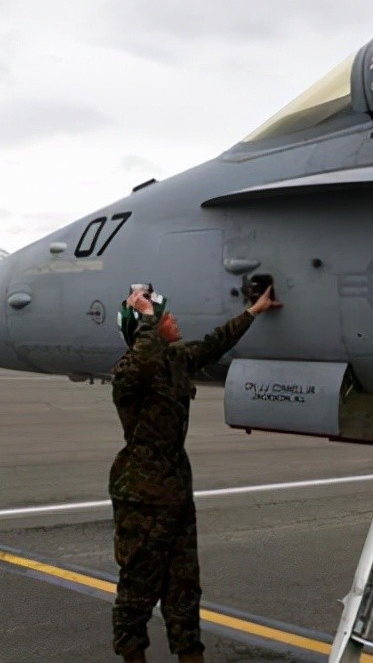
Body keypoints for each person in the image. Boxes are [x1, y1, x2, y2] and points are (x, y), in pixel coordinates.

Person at [108, 284, 281, 663]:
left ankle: (190, 655)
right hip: (140, 494)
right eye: (165, 316)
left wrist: (253, 311)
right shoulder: (128, 374)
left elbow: (214, 343)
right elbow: (142, 358)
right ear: (143, 328)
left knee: (184, 587)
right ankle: (133, 655)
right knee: (137, 587)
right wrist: (148, 318)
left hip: (175, 493)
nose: (173, 319)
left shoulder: (176, 359)